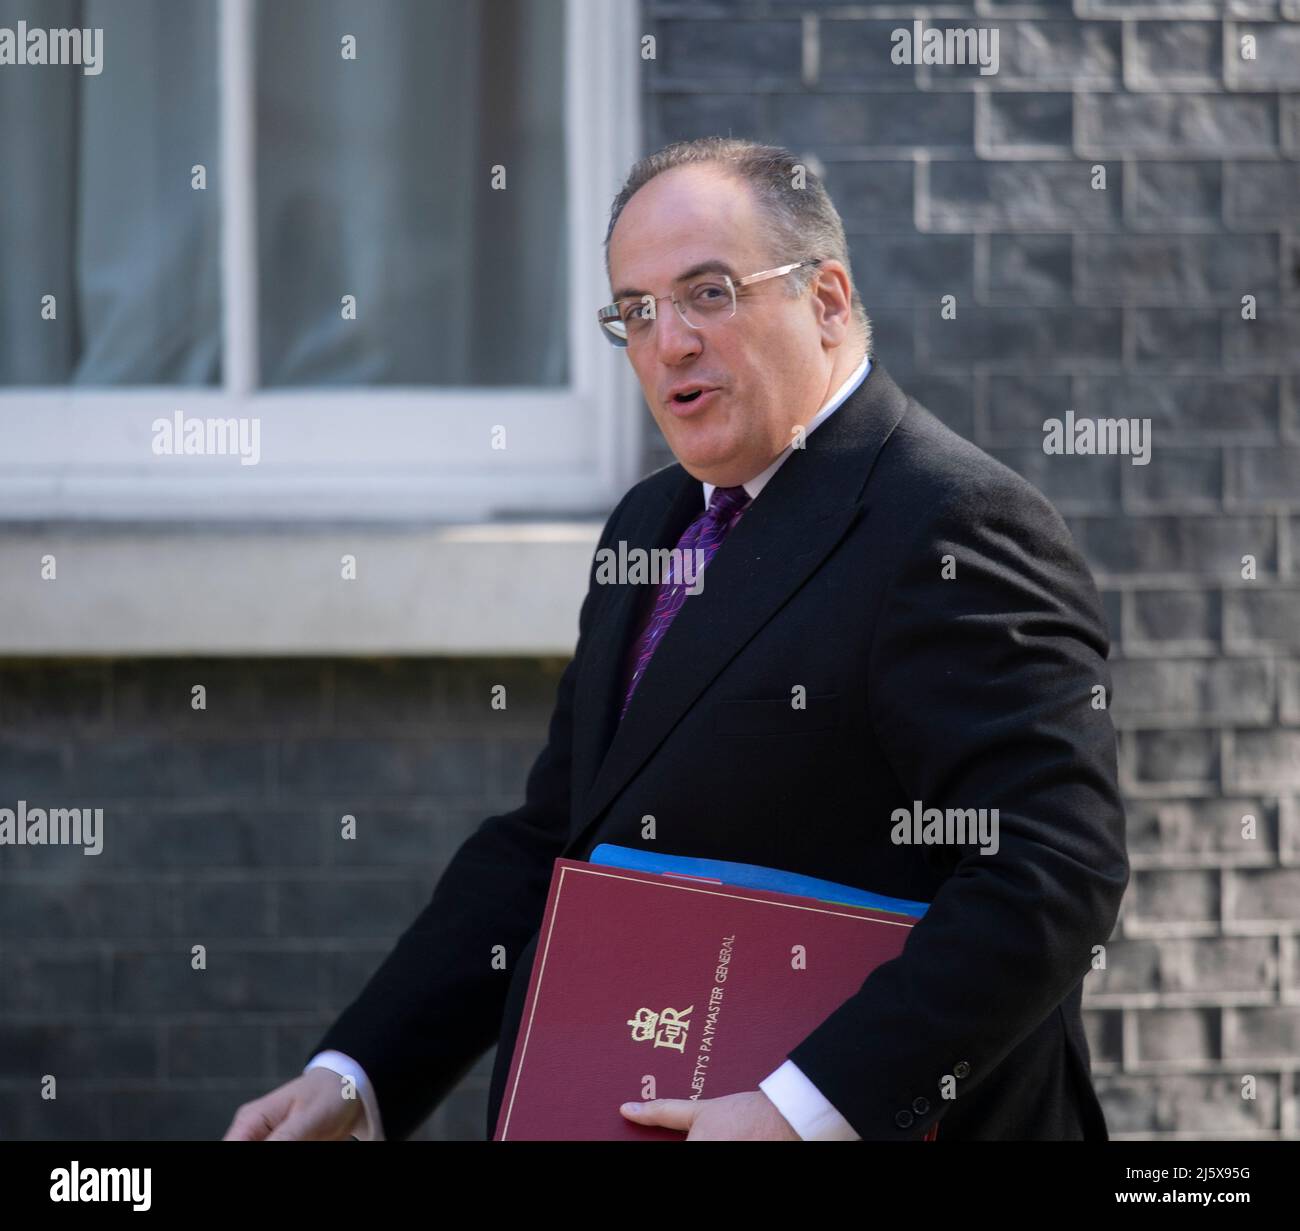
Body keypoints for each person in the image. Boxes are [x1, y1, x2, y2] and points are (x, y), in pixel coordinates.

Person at [223, 137, 1128, 1142]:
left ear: (825, 300)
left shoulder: (953, 522)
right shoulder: (651, 526)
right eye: (638, 312)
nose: (669, 343)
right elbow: (556, 840)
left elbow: (1048, 870)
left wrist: (799, 1111)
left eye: (707, 293)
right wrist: (359, 1070)